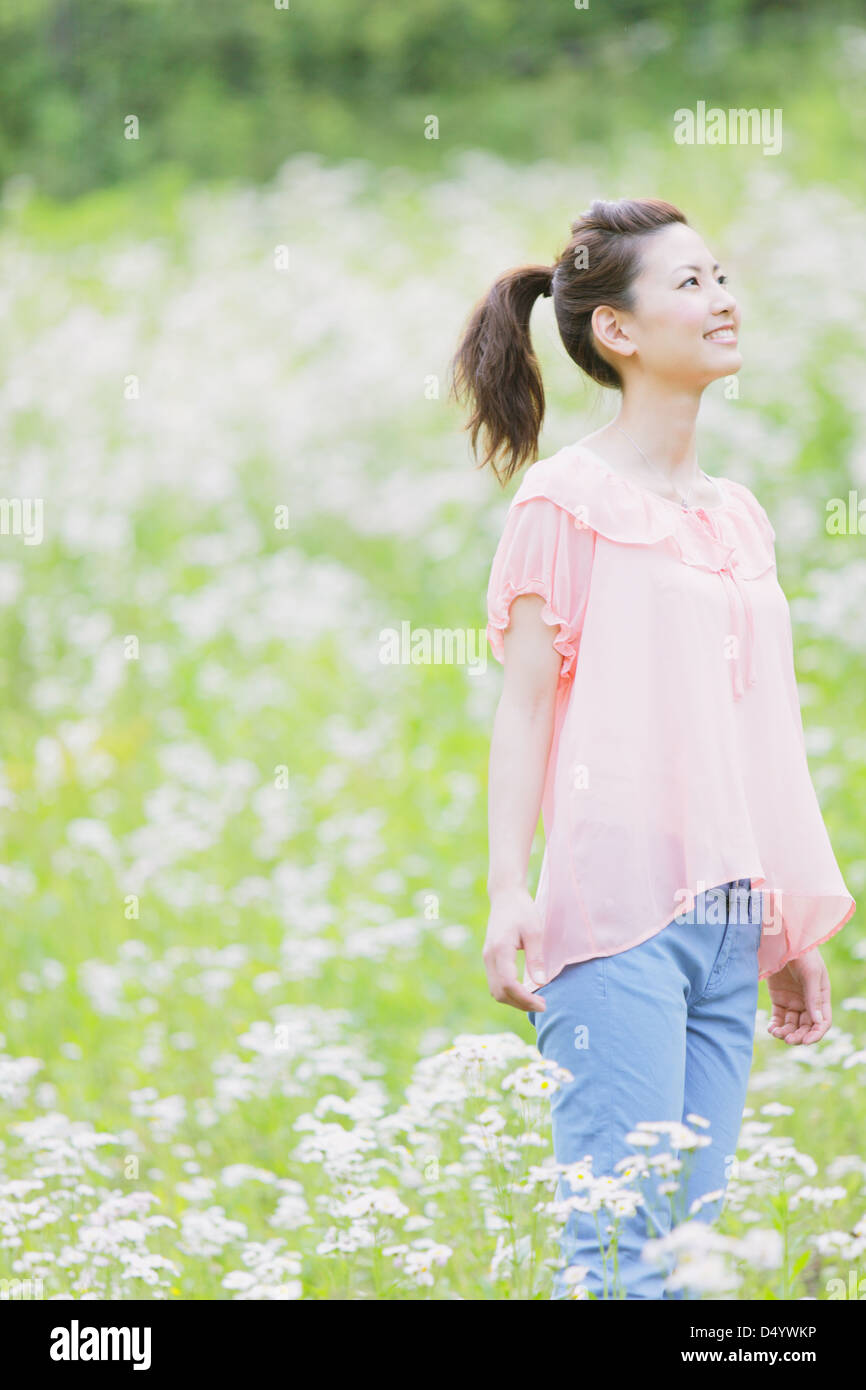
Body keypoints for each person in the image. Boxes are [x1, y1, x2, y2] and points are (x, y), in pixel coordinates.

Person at [448, 197, 856, 1299]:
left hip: (729, 913)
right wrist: (503, 893)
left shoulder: (735, 516)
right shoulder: (564, 501)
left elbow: (750, 727)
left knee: (690, 1257)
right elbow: (524, 709)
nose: (720, 298)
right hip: (617, 915)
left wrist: (779, 922)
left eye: (719, 275)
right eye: (687, 283)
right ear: (616, 331)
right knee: (619, 1252)